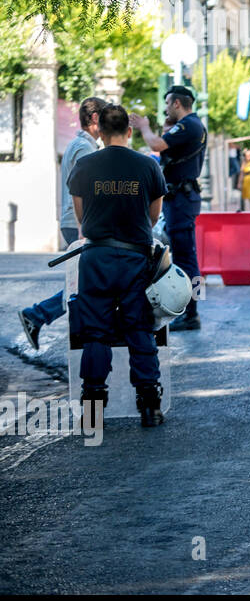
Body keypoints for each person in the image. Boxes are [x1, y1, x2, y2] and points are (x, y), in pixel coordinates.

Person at [66, 104, 168, 427]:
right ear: (128, 131)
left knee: (95, 331)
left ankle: (93, 409)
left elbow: (81, 216)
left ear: (101, 131)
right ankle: (149, 405)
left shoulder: (85, 165)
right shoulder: (148, 166)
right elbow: (154, 216)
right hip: (135, 258)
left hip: (96, 258)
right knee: (139, 326)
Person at [19, 96, 105, 350]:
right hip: (78, 222)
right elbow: (86, 191)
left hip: (77, 221)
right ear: (94, 119)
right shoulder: (84, 148)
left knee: (83, 282)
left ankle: (37, 316)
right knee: (86, 283)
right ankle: (37, 315)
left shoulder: (81, 145)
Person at [129, 86, 206, 331]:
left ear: (176, 104)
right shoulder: (188, 127)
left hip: (182, 198)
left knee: (187, 259)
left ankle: (192, 311)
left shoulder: (190, 125)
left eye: (166, 104)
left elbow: (157, 144)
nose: (164, 109)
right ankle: (192, 310)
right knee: (187, 257)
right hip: (181, 197)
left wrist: (143, 126)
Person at [239, 148, 250, 212]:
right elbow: (242, 173)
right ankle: (248, 211)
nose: (248, 157)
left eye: (249, 155)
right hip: (246, 181)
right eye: (246, 155)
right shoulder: (244, 163)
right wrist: (239, 183)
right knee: (246, 199)